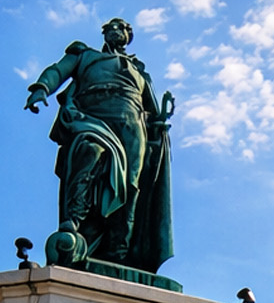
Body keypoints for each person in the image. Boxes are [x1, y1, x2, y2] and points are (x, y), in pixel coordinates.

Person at [24, 17, 174, 273]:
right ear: (104, 34)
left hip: (131, 122)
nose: (116, 31)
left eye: (122, 28)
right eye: (111, 28)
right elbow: (58, 70)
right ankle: (73, 224)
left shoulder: (138, 70)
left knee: (131, 184)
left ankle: (119, 249)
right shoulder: (84, 55)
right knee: (88, 151)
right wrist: (41, 87)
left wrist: (160, 121)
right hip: (91, 115)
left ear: (128, 36)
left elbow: (150, 109)